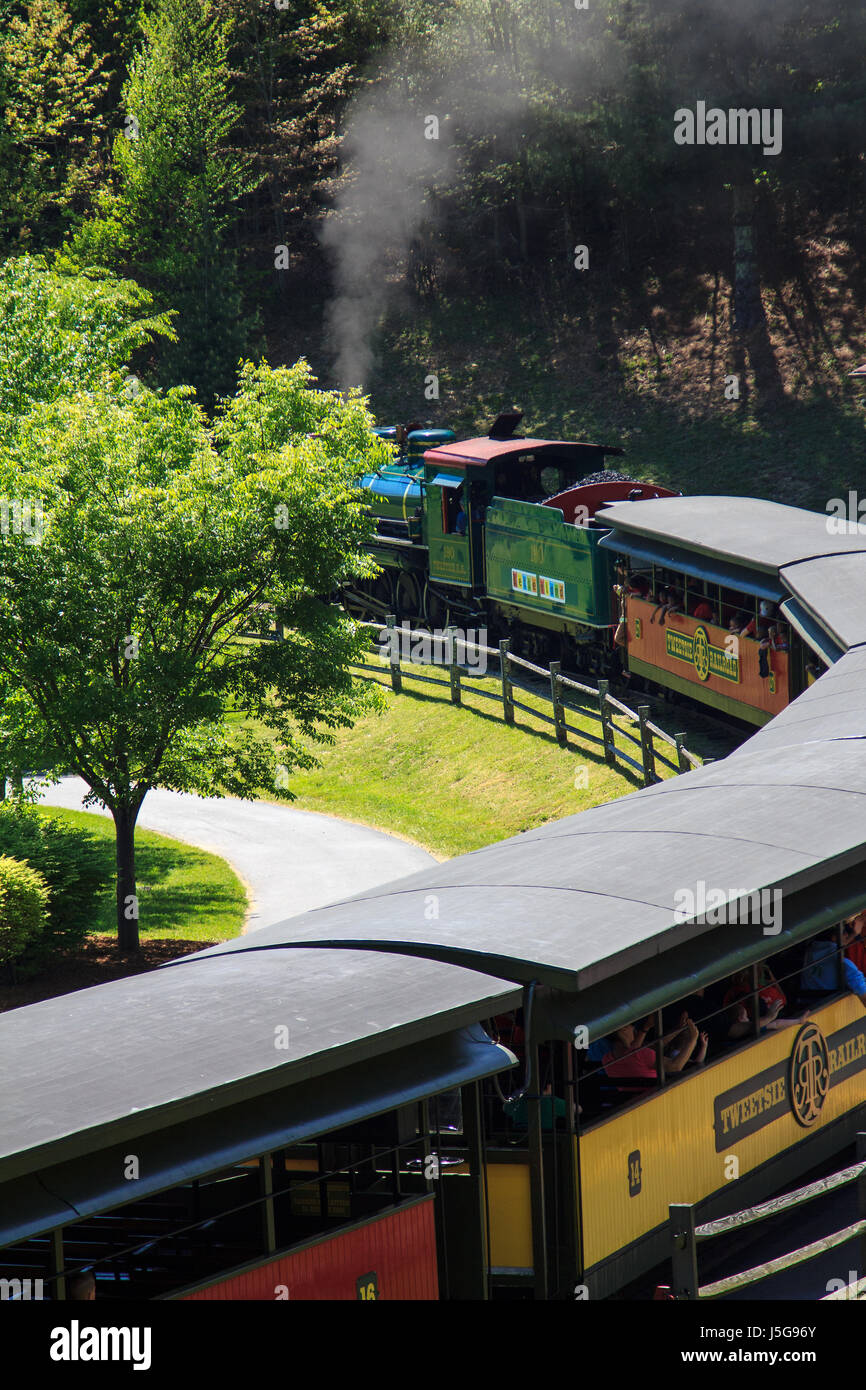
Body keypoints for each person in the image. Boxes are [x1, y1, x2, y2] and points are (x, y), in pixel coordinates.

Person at [801, 925, 866, 1008]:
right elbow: (863, 994)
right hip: (829, 1006)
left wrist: (854, 934)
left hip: (806, 1005)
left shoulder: (811, 950)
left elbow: (841, 944)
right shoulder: (843, 962)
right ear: (833, 937)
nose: (847, 935)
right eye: (844, 932)